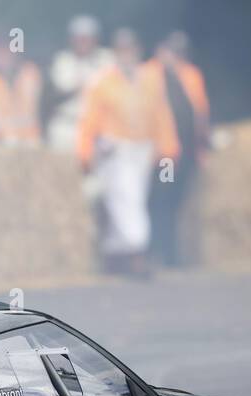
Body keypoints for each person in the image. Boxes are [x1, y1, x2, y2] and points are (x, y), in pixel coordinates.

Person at [76, 29, 178, 276]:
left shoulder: (150, 78)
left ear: (138, 50)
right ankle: (137, 253)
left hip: (142, 149)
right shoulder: (103, 81)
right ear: (115, 52)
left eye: (130, 48)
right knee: (126, 201)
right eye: (122, 49)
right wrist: (85, 152)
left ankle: (117, 258)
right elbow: (88, 119)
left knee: (129, 201)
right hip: (115, 150)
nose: (127, 53)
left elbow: (161, 114)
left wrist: (168, 149)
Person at [147, 31, 210, 266]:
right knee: (159, 202)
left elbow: (200, 111)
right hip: (163, 152)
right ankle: (157, 252)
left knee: (177, 202)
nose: (177, 56)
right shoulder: (151, 74)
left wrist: (202, 144)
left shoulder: (191, 74)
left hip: (187, 150)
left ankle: (172, 254)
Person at [47, 15, 113, 153]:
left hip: (98, 129)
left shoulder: (107, 59)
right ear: (72, 40)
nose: (83, 43)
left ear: (95, 40)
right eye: (79, 39)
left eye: (87, 38)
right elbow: (59, 91)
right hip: (67, 126)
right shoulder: (63, 60)